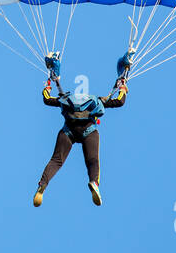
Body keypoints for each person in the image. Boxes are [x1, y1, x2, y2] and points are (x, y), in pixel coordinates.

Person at [33, 51, 132, 207]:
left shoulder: (64, 99)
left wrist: (48, 85)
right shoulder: (97, 101)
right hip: (88, 131)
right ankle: (94, 183)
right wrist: (123, 90)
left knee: (56, 160)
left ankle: (42, 185)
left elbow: (46, 99)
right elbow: (119, 102)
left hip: (68, 131)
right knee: (92, 161)